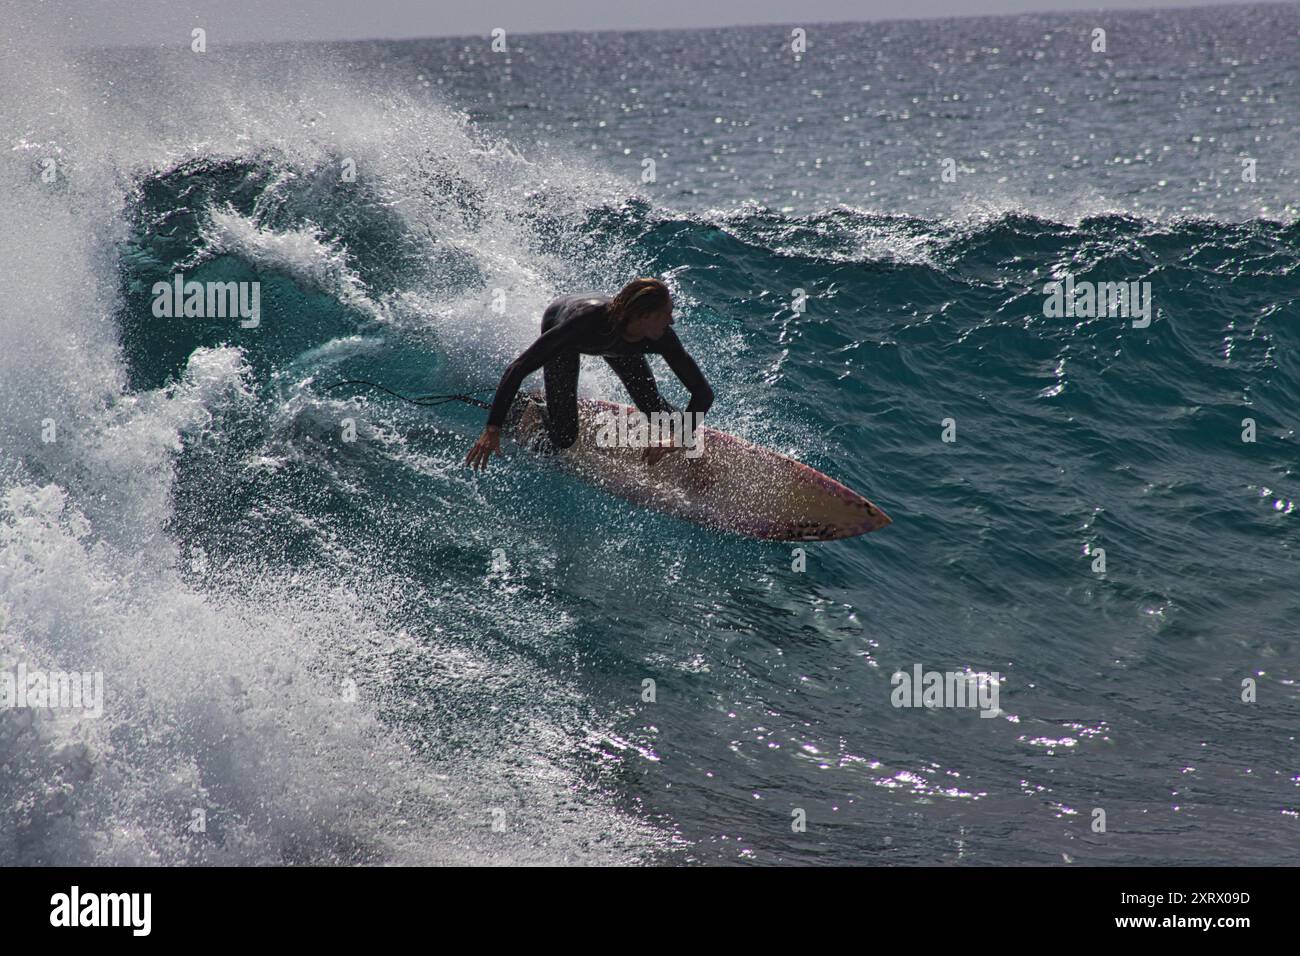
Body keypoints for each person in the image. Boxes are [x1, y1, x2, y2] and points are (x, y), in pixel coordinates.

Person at [465, 277, 713, 470]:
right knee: (563, 438)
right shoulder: (585, 323)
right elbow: (518, 367)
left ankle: (693, 451)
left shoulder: (661, 337)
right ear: (643, 316)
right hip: (564, 330)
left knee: (653, 406)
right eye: (665, 314)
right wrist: (492, 429)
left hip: (619, 342)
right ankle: (532, 405)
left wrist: (678, 440)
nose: (671, 321)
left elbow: (703, 393)